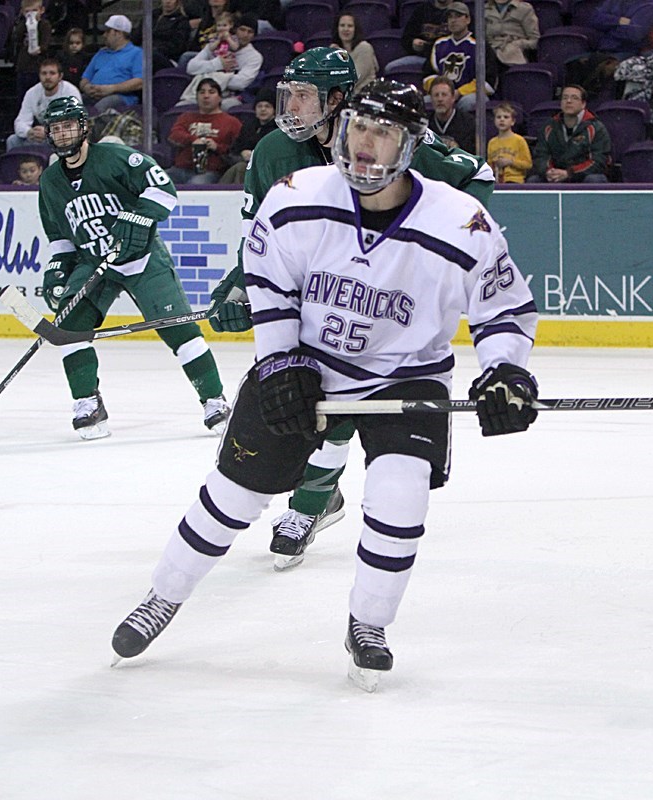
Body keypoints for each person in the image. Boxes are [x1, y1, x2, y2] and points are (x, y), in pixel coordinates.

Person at [111, 79, 539, 692]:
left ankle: (369, 623)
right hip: (306, 364)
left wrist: (504, 370)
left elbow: (503, 311)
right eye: (357, 127)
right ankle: (161, 597)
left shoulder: (460, 222)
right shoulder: (295, 196)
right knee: (234, 494)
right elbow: (270, 284)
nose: (364, 145)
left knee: (399, 497)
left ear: (411, 144)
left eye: (382, 132)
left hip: (406, 374)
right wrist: (281, 362)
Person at [205, 48, 495, 570]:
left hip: (377, 293)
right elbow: (258, 240)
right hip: (311, 293)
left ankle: (311, 503)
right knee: (298, 395)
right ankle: (319, 498)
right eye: (287, 94)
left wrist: (427, 253)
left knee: (341, 399)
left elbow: (480, 174)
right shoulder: (272, 152)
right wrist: (239, 288)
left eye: (304, 96)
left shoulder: (381, 136)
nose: (290, 106)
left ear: (336, 99)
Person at [38, 96, 232, 438]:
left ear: (84, 127)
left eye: (69, 125)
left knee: (181, 332)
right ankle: (88, 403)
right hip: (96, 263)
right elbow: (60, 234)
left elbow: (163, 188)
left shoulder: (114, 158)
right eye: (57, 128)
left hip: (142, 258)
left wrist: (138, 217)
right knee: (68, 326)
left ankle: (214, 400)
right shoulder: (50, 181)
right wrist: (57, 267)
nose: (64, 133)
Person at [564, 0, 653, 98]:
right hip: (602, 50)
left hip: (627, 52)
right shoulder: (613, 1)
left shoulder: (649, 5)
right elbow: (595, 20)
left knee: (604, 68)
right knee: (572, 63)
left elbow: (634, 34)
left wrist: (608, 30)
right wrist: (618, 21)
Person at [423, 2, 498, 112]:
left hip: (469, 94)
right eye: (450, 17)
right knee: (424, 102)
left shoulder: (479, 46)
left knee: (467, 103)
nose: (453, 20)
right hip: (444, 93)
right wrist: (442, 91)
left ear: (467, 19)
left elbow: (488, 82)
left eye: (458, 16)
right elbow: (427, 76)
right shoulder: (439, 44)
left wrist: (459, 92)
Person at [528, 84, 611, 183]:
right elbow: (541, 155)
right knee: (534, 180)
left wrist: (569, 173)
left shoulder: (596, 128)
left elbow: (599, 161)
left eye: (574, 98)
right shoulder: (549, 127)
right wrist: (549, 171)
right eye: (565, 98)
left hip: (582, 176)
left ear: (583, 104)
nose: (569, 101)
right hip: (556, 175)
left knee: (594, 179)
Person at [167, 77, 242, 184]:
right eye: (202, 92)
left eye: (211, 92)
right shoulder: (186, 117)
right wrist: (193, 140)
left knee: (196, 184)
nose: (206, 96)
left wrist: (216, 147)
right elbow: (174, 135)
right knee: (157, 181)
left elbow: (237, 151)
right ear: (197, 97)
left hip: (211, 172)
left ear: (220, 97)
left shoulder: (231, 122)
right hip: (180, 169)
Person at [183, 12, 262, 109]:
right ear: (234, 29)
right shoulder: (214, 45)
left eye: (250, 32)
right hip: (202, 93)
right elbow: (191, 67)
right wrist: (218, 64)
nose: (245, 35)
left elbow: (240, 83)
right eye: (242, 30)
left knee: (222, 105)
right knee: (182, 106)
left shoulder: (254, 56)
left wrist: (206, 75)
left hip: (231, 96)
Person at [6, 57, 80, 151]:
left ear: (60, 76)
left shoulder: (70, 91)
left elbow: (75, 123)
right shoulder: (32, 93)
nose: (47, 77)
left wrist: (49, 132)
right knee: (13, 140)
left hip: (62, 137)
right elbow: (21, 121)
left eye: (52, 73)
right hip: (39, 137)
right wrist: (29, 132)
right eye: (44, 73)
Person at [80, 14, 144, 114]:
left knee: (100, 108)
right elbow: (85, 78)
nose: (104, 35)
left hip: (120, 97)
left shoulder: (137, 53)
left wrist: (111, 89)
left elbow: (140, 81)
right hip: (92, 94)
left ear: (118, 33)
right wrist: (86, 87)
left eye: (108, 31)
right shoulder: (101, 53)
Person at [219, 85, 277, 184]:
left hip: (266, 170)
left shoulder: (277, 130)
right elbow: (233, 151)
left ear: (274, 110)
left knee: (240, 168)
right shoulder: (248, 127)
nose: (263, 109)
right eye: (259, 106)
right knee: (239, 168)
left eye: (267, 106)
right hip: (243, 164)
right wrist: (242, 153)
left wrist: (254, 156)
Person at [387, 0, 450, 72]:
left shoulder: (459, 13)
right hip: (422, 57)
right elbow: (406, 38)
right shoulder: (422, 10)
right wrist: (413, 43)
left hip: (446, 59)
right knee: (390, 68)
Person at [11, 0, 53, 101]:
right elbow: (16, 38)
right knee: (23, 95)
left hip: (38, 65)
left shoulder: (44, 25)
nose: (32, 14)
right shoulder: (22, 25)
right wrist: (25, 24)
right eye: (28, 12)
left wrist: (40, 49)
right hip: (23, 65)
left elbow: (45, 43)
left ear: (41, 10)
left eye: (34, 10)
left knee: (39, 95)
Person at [428, 76, 476, 153]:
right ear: (431, 99)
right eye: (436, 95)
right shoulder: (425, 124)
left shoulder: (468, 123)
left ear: (453, 97)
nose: (440, 99)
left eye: (444, 95)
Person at [484, 0, 540, 67]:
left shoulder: (524, 9)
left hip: (514, 55)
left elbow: (535, 40)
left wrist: (518, 44)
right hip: (490, 53)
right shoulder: (484, 9)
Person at [331, 12, 377, 90]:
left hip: (362, 96)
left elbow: (353, 79)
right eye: (342, 25)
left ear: (356, 29)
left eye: (350, 26)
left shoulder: (364, 48)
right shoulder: (334, 50)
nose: (345, 29)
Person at [487, 102, 530, 183]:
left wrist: (511, 162)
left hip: (515, 181)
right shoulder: (492, 142)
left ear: (513, 121)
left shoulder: (519, 140)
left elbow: (528, 164)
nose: (502, 120)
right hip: (496, 181)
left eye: (506, 117)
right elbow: (489, 165)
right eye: (498, 117)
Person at [151, 0, 194, 69]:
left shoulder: (182, 21)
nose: (168, 1)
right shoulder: (152, 17)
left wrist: (156, 49)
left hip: (168, 59)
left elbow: (178, 47)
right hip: (147, 53)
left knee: (153, 55)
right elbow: (137, 36)